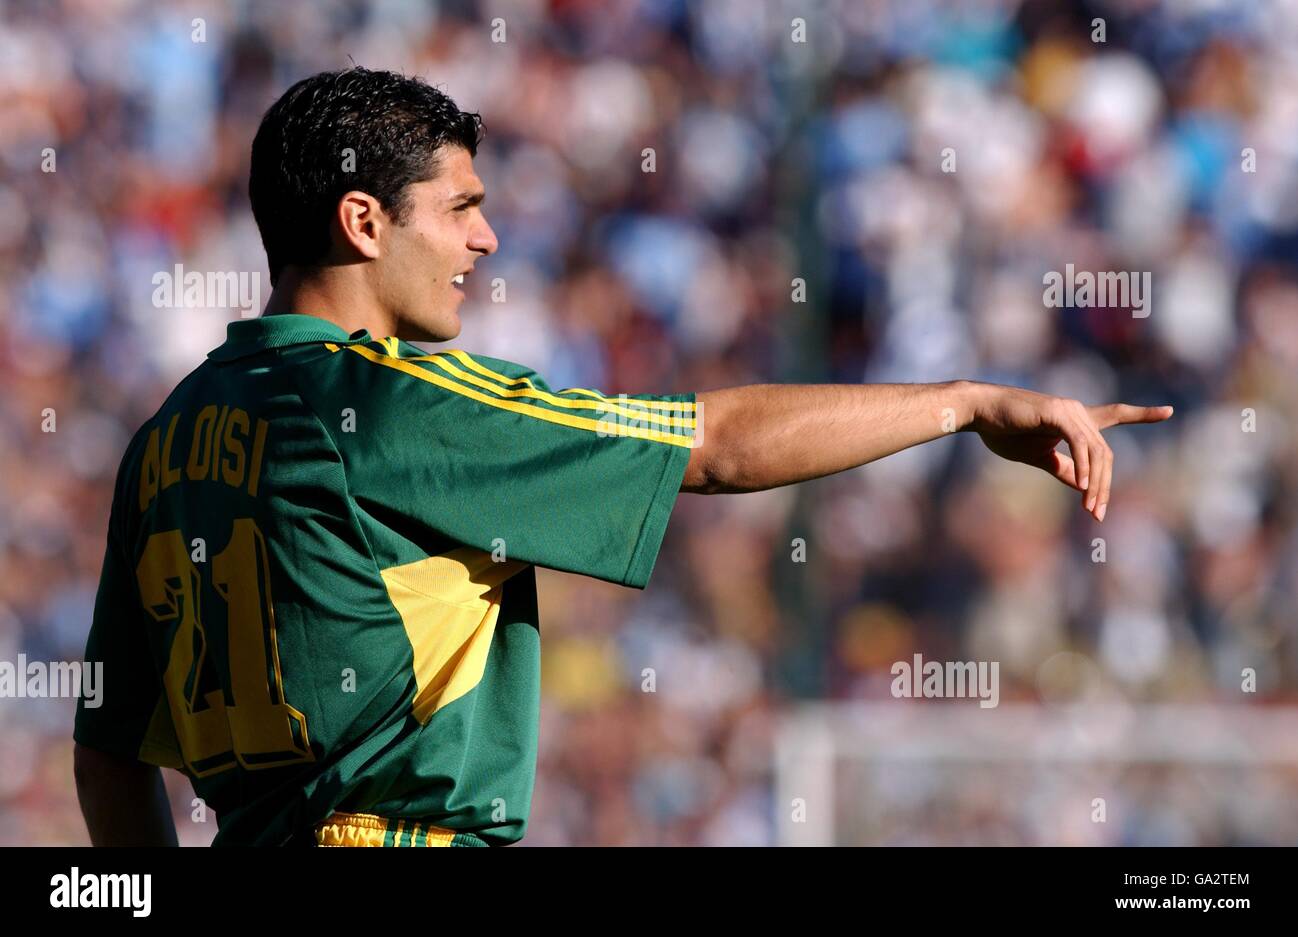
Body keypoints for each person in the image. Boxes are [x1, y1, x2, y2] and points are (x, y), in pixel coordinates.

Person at [73, 67, 1173, 847]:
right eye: (460, 209)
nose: (485, 240)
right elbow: (714, 446)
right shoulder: (388, 398)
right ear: (365, 221)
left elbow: (109, 752)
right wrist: (963, 403)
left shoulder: (163, 440)